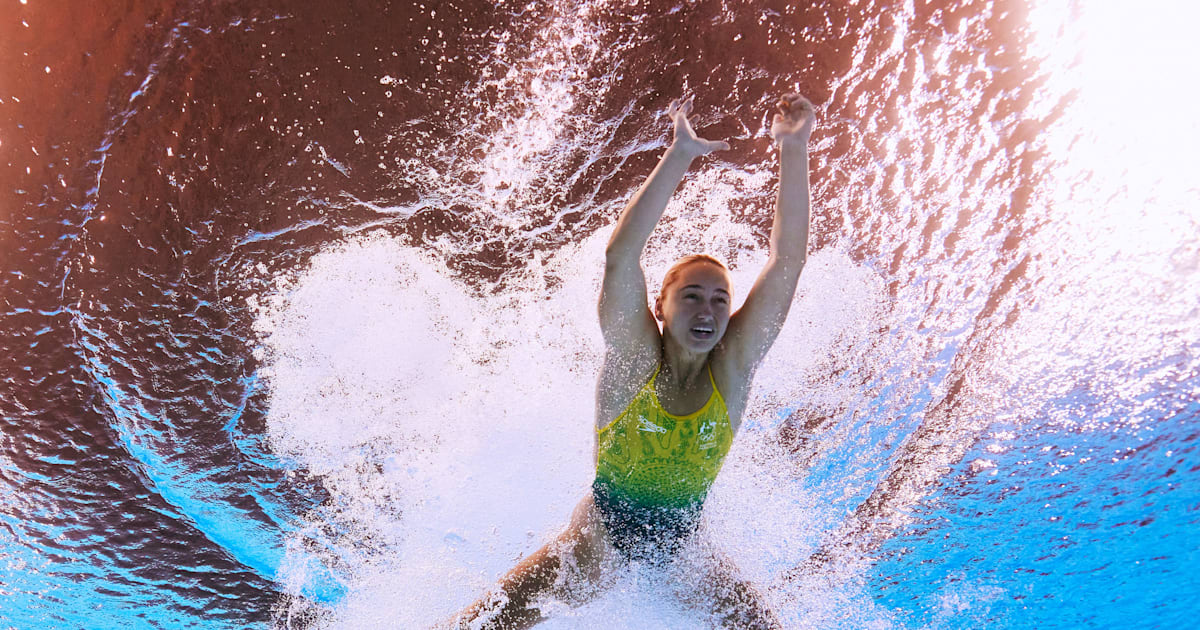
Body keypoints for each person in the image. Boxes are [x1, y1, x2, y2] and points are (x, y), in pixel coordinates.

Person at [441, 91, 814, 630]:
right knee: (474, 625)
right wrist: (679, 154)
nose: (707, 309)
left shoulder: (732, 371)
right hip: (595, 548)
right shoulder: (635, 361)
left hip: (685, 558)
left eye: (718, 299)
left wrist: (794, 148)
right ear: (659, 307)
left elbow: (788, 260)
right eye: (691, 295)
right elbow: (621, 257)